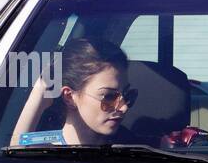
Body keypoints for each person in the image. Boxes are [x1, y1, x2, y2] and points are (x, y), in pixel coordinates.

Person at [9, 38, 138, 147]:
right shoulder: (43, 151)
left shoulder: (137, 150)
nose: (124, 107)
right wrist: (38, 96)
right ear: (69, 97)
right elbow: (15, 156)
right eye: (109, 96)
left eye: (127, 95)